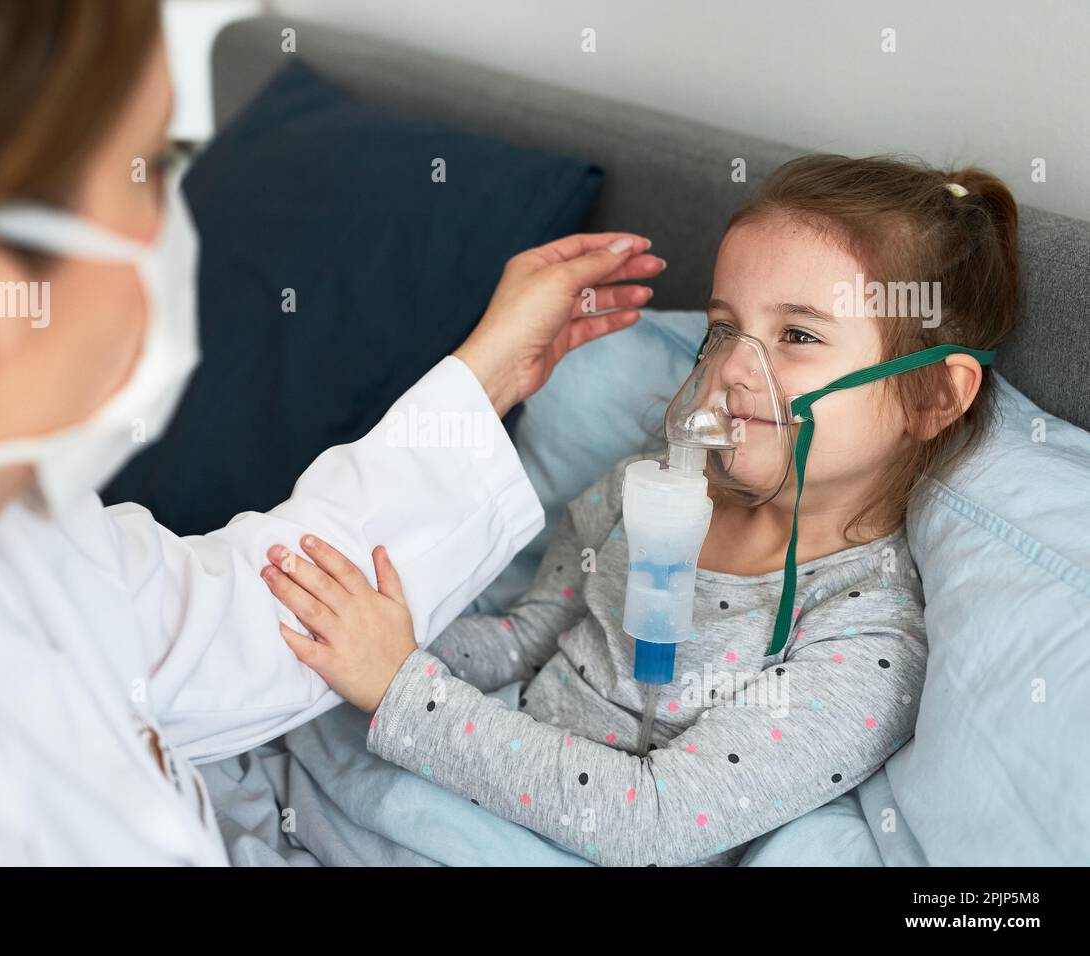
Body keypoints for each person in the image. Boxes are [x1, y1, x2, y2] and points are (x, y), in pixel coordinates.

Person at [0, 0, 662, 864]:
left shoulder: (5, 535)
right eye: (143, 174)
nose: (179, 225)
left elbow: (244, 617)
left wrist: (494, 371)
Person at [260, 155, 1018, 866]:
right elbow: (527, 642)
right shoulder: (646, 491)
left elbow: (653, 821)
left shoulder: (867, 638)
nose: (729, 371)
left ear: (936, 395)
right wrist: (367, 640)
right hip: (424, 797)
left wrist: (400, 690)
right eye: (725, 330)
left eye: (796, 335)